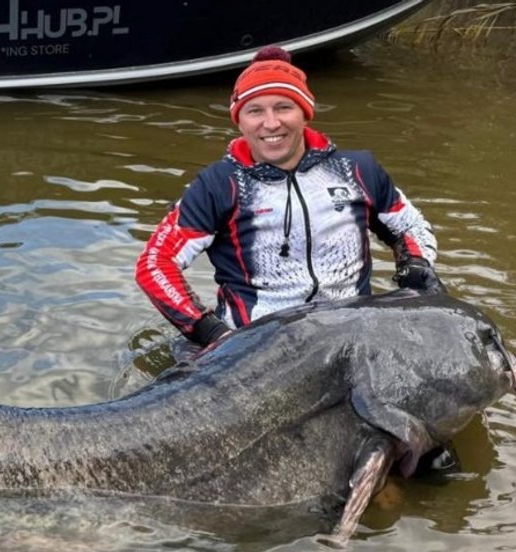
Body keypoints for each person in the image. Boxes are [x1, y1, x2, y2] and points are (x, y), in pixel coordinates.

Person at [135, 46, 445, 349]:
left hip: (350, 340)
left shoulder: (357, 170)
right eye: (255, 111)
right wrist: (211, 333)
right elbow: (155, 264)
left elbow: (410, 227)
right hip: (254, 348)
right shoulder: (218, 185)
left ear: (305, 113)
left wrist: (415, 265)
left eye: (284, 107)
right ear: (240, 121)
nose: (271, 123)